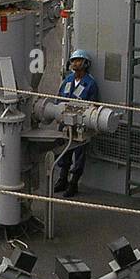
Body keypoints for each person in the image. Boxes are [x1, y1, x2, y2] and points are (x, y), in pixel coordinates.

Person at [53, 49, 100, 198]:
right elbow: (59, 98)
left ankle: (74, 183)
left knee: (79, 154)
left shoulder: (90, 84)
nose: (75, 63)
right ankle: (63, 178)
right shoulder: (67, 81)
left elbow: (92, 105)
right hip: (65, 121)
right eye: (73, 60)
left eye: (79, 60)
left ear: (85, 64)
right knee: (64, 150)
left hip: (81, 124)